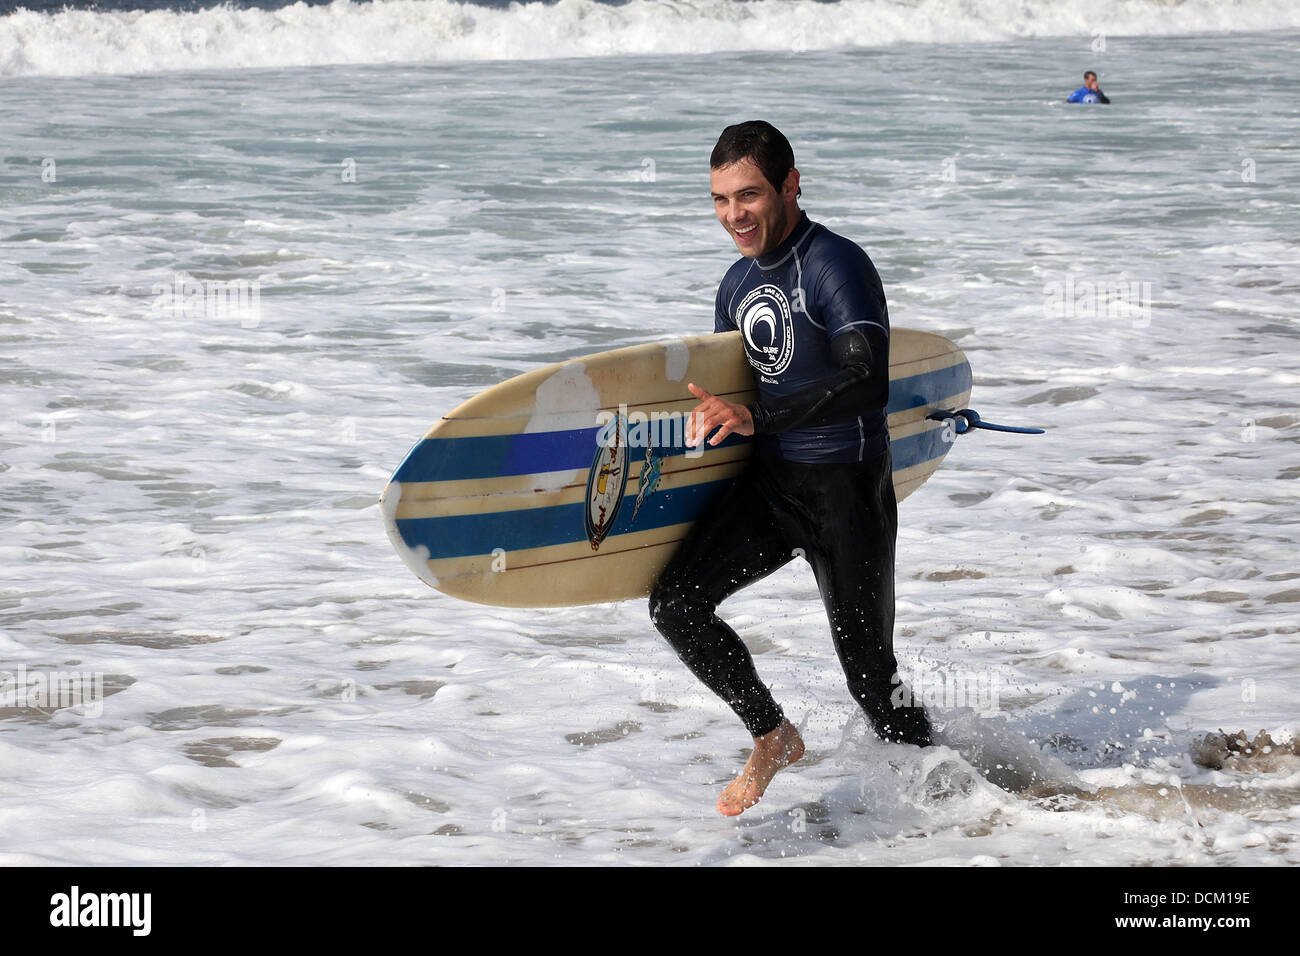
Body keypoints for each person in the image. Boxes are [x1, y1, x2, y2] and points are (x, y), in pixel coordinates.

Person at [649, 121, 932, 817]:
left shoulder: (835, 265)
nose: (732, 215)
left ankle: (953, 789)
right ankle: (772, 734)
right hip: (772, 488)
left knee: (871, 680)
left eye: (748, 195)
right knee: (675, 606)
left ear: (790, 186)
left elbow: (868, 379)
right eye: (718, 199)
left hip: (847, 493)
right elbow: (737, 397)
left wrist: (759, 421)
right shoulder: (736, 283)